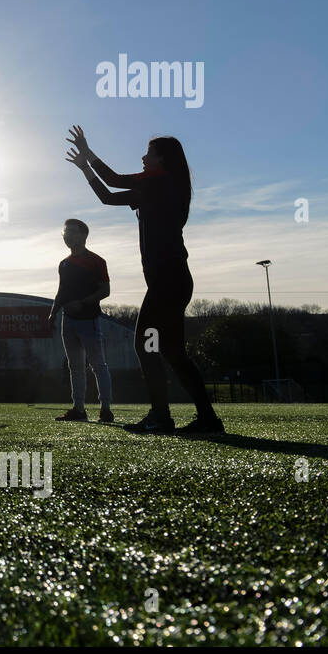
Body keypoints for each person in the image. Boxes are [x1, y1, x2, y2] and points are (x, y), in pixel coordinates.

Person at [66, 126, 223, 434]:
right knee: (173, 352)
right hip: (171, 280)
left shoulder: (160, 182)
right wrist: (85, 168)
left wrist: (89, 153)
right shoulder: (156, 187)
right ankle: (207, 419)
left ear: (162, 160)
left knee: (145, 343)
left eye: (148, 153)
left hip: (168, 279)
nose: (142, 157)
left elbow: (113, 180)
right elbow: (108, 197)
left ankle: (161, 415)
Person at [48, 218, 115, 423]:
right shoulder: (64, 263)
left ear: (83, 235)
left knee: (98, 365)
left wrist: (83, 303)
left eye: (72, 232)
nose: (68, 236)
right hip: (67, 321)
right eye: (65, 232)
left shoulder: (96, 261)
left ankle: (106, 409)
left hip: (89, 320)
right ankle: (79, 409)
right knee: (75, 366)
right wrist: (53, 312)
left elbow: (105, 290)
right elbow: (61, 291)